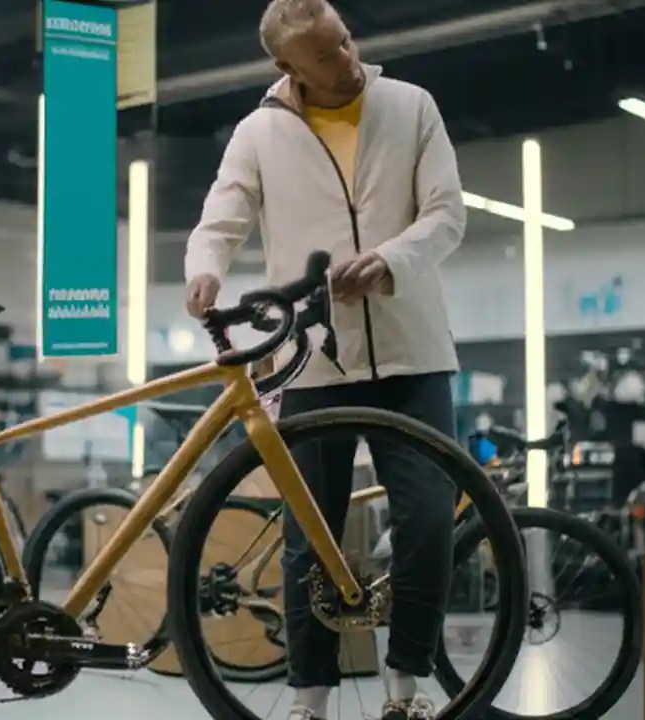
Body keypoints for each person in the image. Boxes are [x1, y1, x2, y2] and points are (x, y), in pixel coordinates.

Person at [183, 1, 467, 718]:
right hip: (312, 361)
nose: (347, 58)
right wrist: (205, 268)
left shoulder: (411, 106)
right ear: (288, 67)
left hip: (414, 354)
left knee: (429, 523)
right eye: (326, 53)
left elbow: (446, 213)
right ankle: (309, 698)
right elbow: (222, 215)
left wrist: (392, 259)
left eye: (344, 40)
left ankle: (406, 687)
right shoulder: (259, 133)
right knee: (310, 538)